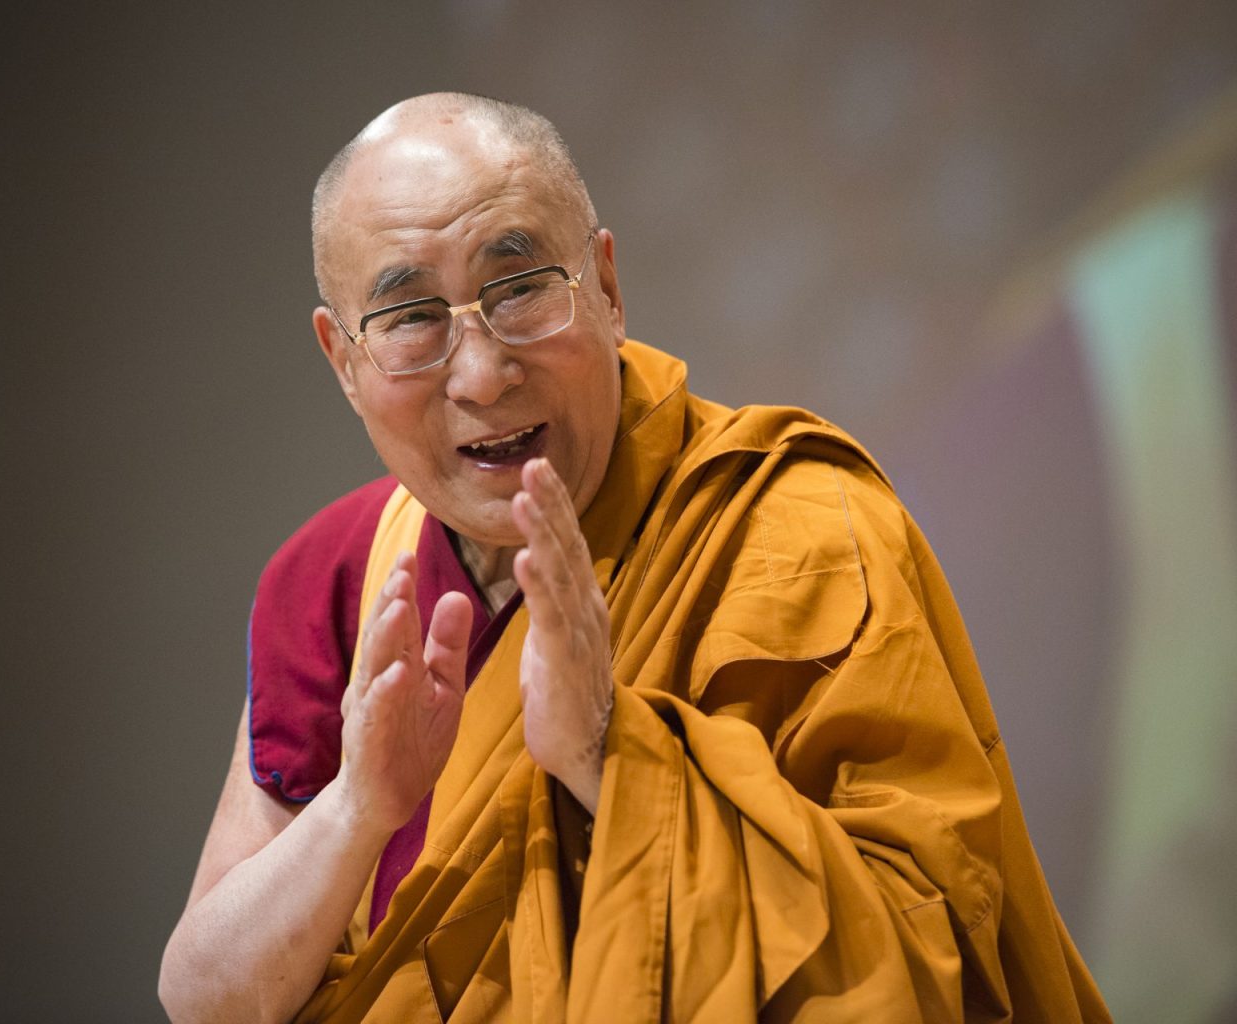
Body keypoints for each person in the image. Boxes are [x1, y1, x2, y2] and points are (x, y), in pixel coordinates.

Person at [159, 93, 1110, 1023]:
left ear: (607, 292)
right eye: (411, 318)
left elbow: (919, 954)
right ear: (344, 361)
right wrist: (359, 808)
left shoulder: (791, 525)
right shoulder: (341, 577)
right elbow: (205, 998)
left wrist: (604, 747)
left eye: (521, 287)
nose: (483, 374)